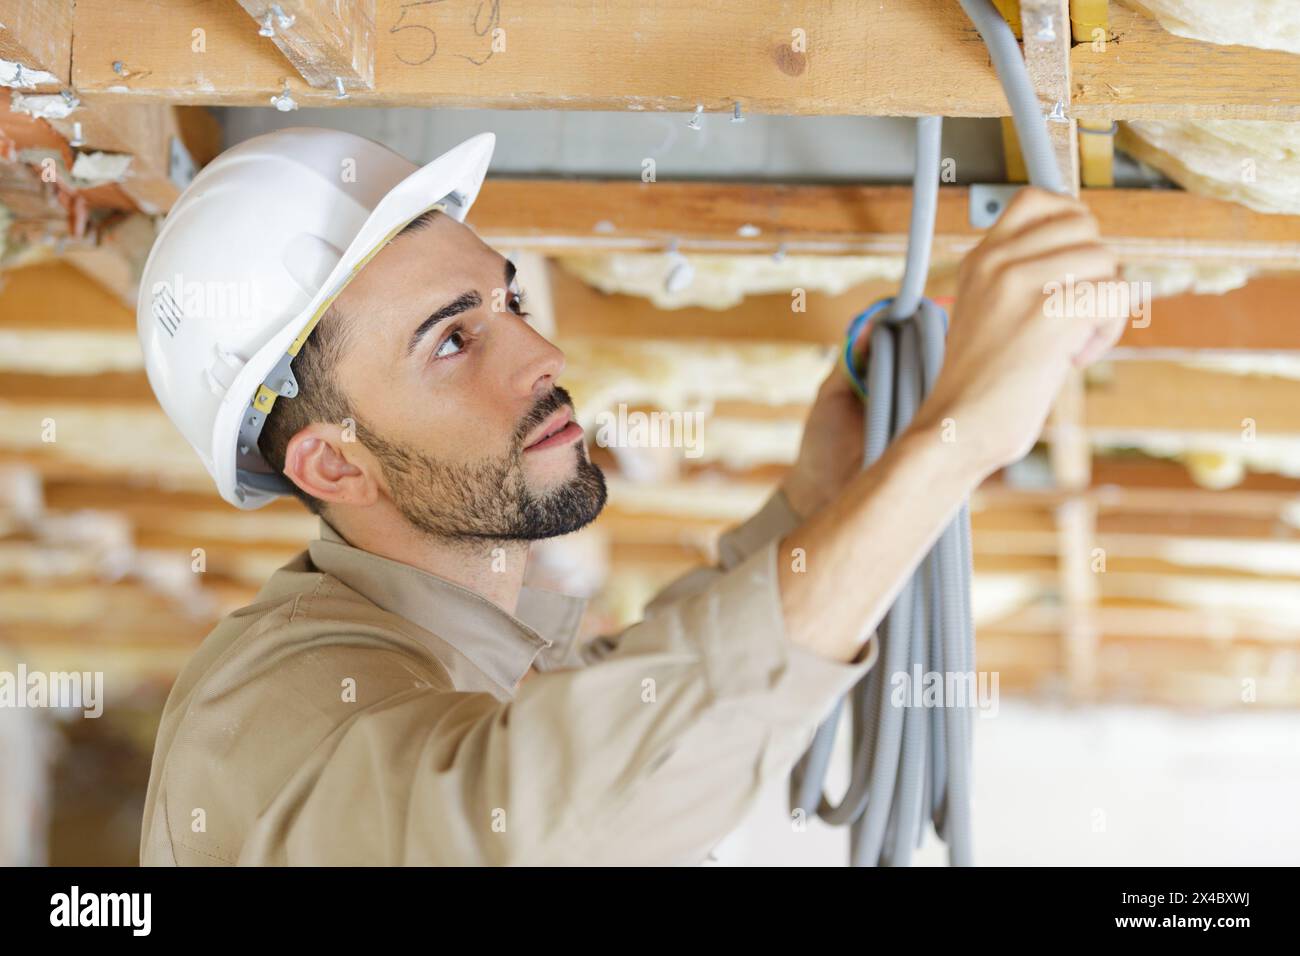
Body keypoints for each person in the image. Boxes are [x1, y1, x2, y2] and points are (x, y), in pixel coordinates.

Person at [137, 128, 1121, 865]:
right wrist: (958, 441)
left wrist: (824, 492)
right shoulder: (266, 716)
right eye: (451, 338)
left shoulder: (434, 656)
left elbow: (612, 710)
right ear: (335, 465)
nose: (544, 355)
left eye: (505, 300)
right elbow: (542, 820)